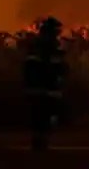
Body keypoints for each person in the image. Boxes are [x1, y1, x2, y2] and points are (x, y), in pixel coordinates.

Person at [23, 17, 67, 151]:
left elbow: (60, 70)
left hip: (45, 91)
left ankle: (40, 144)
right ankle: (40, 145)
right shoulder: (44, 49)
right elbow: (34, 69)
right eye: (55, 32)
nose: (57, 36)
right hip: (43, 91)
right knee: (42, 119)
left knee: (44, 119)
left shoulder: (47, 48)